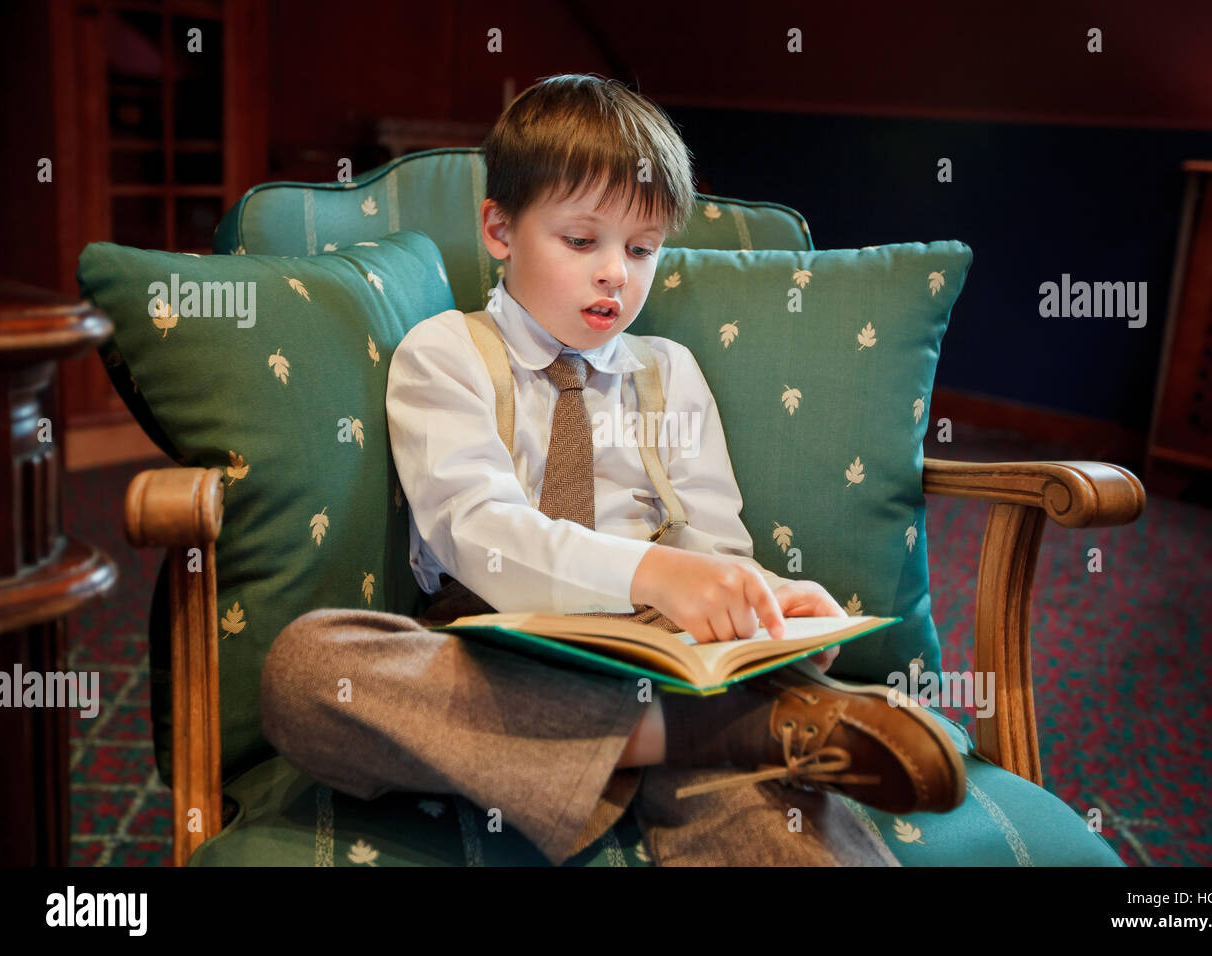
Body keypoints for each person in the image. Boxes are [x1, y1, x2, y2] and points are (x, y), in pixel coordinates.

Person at [260, 73, 965, 866]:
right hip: (491, 657)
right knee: (308, 669)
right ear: (500, 228)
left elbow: (713, 548)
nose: (615, 275)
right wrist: (653, 574)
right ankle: (731, 734)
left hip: (659, 660)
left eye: (641, 249)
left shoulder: (670, 371)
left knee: (771, 824)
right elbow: (478, 533)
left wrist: (765, 609)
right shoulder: (446, 353)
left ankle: (710, 728)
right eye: (581, 241)